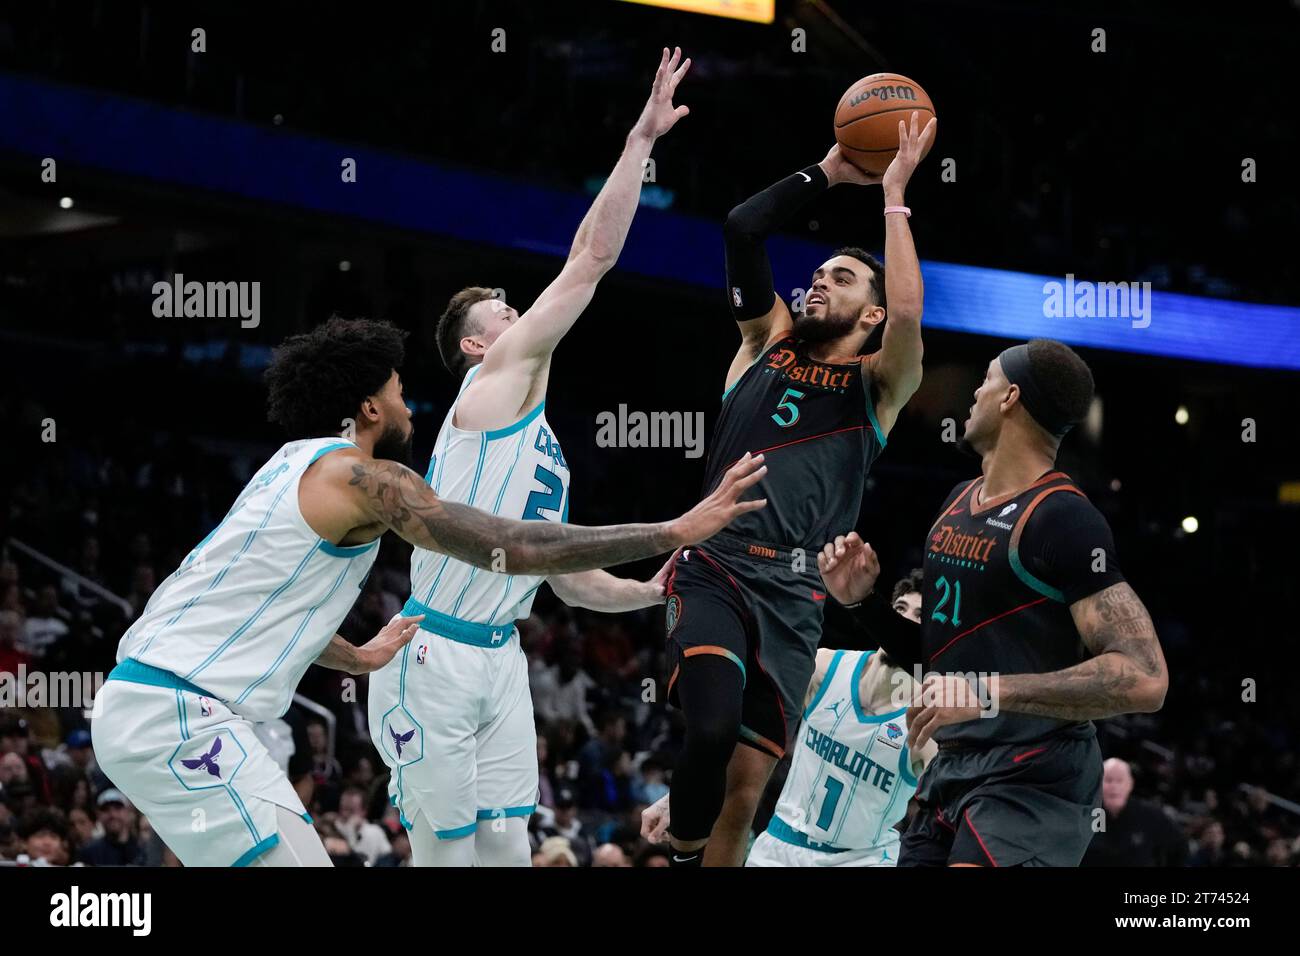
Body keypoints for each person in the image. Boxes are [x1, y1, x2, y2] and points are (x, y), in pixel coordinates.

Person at [90, 316, 766, 868]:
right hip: (177, 711)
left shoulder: (286, 469)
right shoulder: (370, 480)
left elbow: (262, 610)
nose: (407, 403)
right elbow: (519, 546)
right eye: (397, 390)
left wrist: (355, 659)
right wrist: (673, 529)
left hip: (158, 703)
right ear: (367, 407)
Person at [370, 48, 702, 867]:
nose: (522, 315)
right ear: (479, 345)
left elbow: (560, 572)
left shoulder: (542, 441)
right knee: (448, 859)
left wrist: (644, 591)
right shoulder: (487, 394)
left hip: (500, 657)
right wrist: (640, 139)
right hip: (433, 651)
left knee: (508, 850)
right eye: (505, 312)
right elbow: (592, 257)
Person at [663, 110, 937, 866]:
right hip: (716, 560)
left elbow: (912, 310)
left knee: (746, 792)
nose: (819, 283)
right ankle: (683, 856)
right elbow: (742, 228)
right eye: (816, 275)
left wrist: (893, 195)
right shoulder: (765, 341)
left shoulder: (878, 384)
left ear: (871, 315)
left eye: (840, 279)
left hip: (793, 589)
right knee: (711, 734)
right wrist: (825, 171)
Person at [819, 339, 1169, 867]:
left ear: (1010, 397)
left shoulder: (1063, 519)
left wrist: (984, 693)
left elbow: (1145, 678)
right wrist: (862, 604)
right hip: (954, 768)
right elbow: (941, 670)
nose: (974, 393)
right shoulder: (956, 502)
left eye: (984, 379)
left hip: (1035, 776)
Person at [644, 567, 935, 866]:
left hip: (865, 859)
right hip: (780, 847)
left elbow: (950, 810)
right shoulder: (824, 667)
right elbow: (749, 736)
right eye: (900, 609)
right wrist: (684, 796)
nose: (903, 621)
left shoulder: (928, 718)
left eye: (919, 617)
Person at [1081, 758, 1187, 866]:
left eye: (1119, 781)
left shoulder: (1149, 815)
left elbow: (1179, 846)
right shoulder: (1084, 815)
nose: (1114, 786)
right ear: (1098, 784)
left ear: (1130, 784)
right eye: (1108, 780)